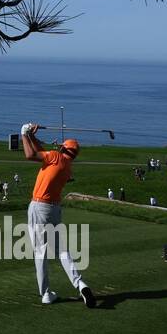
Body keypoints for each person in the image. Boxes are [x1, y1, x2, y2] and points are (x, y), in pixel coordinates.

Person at [19, 122, 97, 308]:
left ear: (62, 148)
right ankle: (81, 284)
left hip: (39, 208)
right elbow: (42, 152)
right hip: (54, 209)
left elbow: (30, 155)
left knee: (40, 252)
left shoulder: (54, 157)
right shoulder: (66, 165)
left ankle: (46, 293)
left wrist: (23, 133)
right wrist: (31, 136)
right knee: (62, 251)